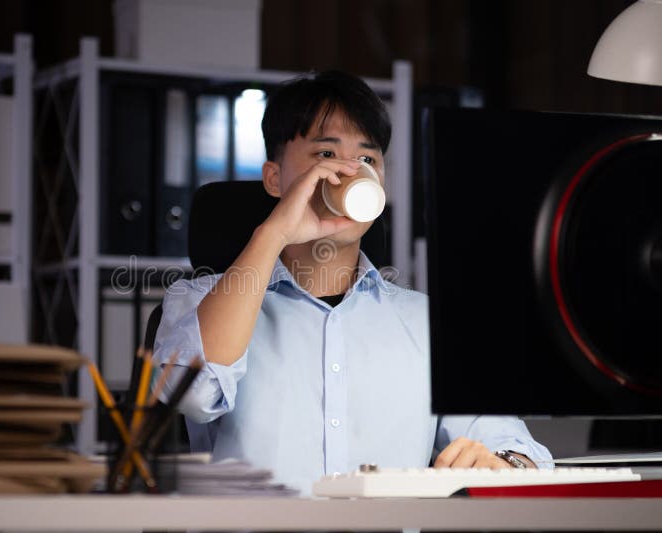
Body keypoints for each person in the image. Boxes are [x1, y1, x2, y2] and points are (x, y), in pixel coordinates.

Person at [153, 70, 552, 494]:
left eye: (367, 159)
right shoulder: (197, 299)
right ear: (274, 178)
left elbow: (516, 447)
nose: (349, 173)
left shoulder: (428, 321)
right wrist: (273, 233)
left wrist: (505, 463)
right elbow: (191, 395)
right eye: (326, 154)